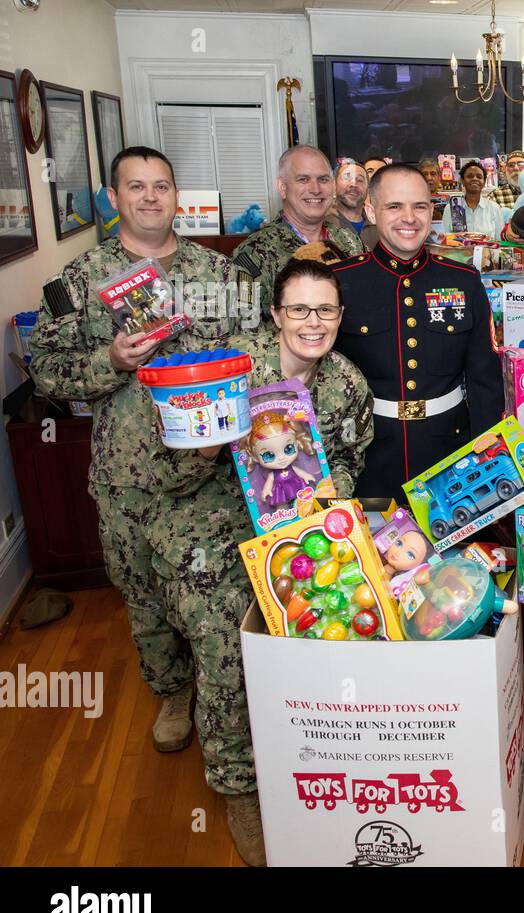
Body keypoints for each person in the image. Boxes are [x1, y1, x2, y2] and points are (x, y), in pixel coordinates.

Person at [28, 146, 257, 756]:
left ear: (178, 195)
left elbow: (258, 357)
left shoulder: (222, 276)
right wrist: (110, 362)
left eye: (162, 185)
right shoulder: (78, 281)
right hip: (128, 477)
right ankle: (171, 691)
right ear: (113, 197)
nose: (151, 197)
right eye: (137, 186)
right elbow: (45, 369)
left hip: (211, 476)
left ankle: (231, 701)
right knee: (144, 595)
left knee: (220, 597)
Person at [146, 258, 373, 866]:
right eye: (298, 309)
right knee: (226, 647)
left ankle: (317, 754)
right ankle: (238, 785)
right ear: (275, 314)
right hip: (212, 523)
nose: (312, 323)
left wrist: (331, 491)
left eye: (325, 310)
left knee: (337, 616)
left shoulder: (346, 383)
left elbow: (351, 457)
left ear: (340, 317)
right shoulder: (228, 370)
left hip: (297, 533)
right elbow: (172, 467)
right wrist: (214, 434)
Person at [331, 163, 504, 502]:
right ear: (371, 210)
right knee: (380, 550)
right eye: (394, 206)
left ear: (431, 211)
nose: (409, 217)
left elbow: (484, 378)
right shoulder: (341, 282)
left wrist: (486, 454)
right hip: (369, 458)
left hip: (452, 455)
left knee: (454, 551)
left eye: (419, 206)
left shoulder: (463, 281)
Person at [233, 145, 366, 318]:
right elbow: (245, 326)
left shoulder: (350, 241)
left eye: (323, 179)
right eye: (303, 179)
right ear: (282, 187)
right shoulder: (254, 253)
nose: (315, 189)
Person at [439, 160, 506, 237]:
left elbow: (499, 241)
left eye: (479, 177)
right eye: (469, 176)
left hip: (488, 249)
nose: (475, 179)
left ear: (484, 182)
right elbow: (445, 239)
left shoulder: (494, 208)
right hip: (458, 249)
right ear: (462, 181)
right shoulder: (450, 209)